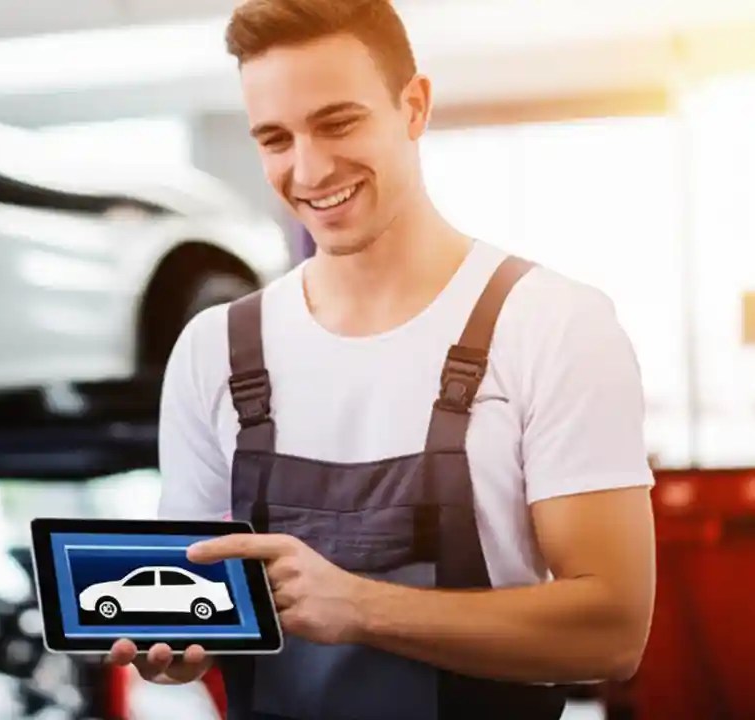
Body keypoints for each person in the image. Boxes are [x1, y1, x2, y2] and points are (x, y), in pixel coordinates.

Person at [108, 1, 657, 718]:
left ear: (415, 106)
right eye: (275, 138)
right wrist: (176, 649)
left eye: (338, 123)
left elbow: (612, 632)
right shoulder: (213, 351)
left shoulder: (552, 325)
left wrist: (360, 607)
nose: (309, 169)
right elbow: (198, 610)